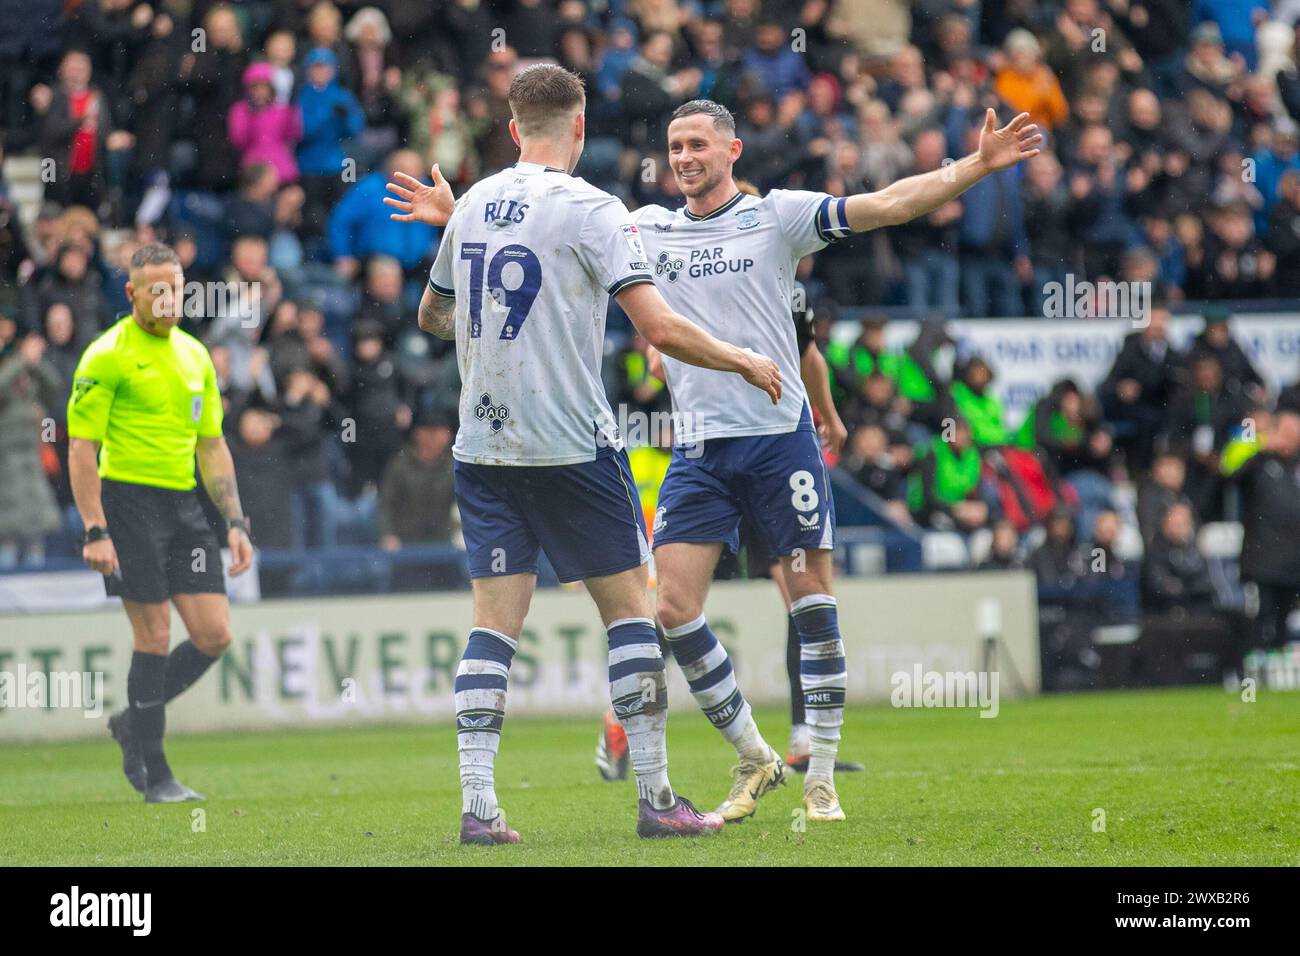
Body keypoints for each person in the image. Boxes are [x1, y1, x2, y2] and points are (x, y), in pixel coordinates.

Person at [600, 98, 1040, 824]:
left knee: (811, 602)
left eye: (698, 145)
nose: (683, 158)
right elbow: (559, 238)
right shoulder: (647, 229)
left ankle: (822, 777)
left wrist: (975, 166)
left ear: (732, 150)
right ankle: (754, 752)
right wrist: (460, 213)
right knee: (672, 608)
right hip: (700, 449)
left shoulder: (778, 216)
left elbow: (890, 203)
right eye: (675, 146)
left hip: (779, 443)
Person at [385, 64, 782, 844]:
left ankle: (478, 807)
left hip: (483, 446)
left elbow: (433, 316)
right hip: (571, 444)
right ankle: (660, 797)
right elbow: (659, 330)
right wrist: (742, 358)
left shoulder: (471, 210)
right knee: (632, 611)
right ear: (579, 125)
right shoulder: (596, 210)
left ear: (511, 128)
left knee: (493, 627)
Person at [66, 243, 254, 803]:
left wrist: (236, 522)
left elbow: (213, 446)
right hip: (128, 505)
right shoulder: (107, 357)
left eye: (176, 287)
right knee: (153, 634)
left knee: (215, 634)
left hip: (184, 507)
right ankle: (156, 772)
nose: (169, 298)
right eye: (157, 289)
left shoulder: (195, 356)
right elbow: (81, 449)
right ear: (132, 293)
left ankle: (132, 721)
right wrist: (94, 527)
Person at [1226, 409, 1300, 648]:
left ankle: (1279, 667)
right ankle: (1254, 669)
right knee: (1262, 616)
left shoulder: (1296, 466)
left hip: (1293, 559)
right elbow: (1229, 475)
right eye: (1288, 432)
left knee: (1285, 619)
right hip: (1263, 558)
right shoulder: (1259, 459)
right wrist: (1261, 449)